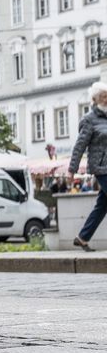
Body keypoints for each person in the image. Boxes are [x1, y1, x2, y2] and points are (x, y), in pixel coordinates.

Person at [70, 82, 107, 251]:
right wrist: (72, 168)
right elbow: (80, 146)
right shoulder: (88, 120)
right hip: (101, 167)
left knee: (103, 205)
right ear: (94, 99)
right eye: (104, 97)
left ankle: (83, 237)